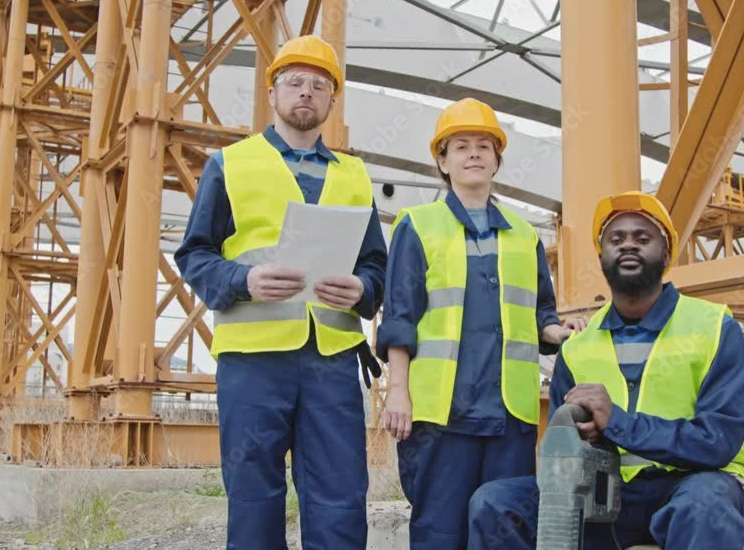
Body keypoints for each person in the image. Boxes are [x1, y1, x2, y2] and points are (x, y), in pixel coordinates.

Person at [174, 35, 386, 550]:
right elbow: (194, 255)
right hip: (253, 360)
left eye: (319, 86)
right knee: (253, 495)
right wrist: (243, 281)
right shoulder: (231, 164)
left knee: (340, 496)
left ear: (332, 101)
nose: (306, 94)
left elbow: (376, 266)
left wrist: (361, 289)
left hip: (331, 362)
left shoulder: (355, 175)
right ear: (273, 93)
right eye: (295, 83)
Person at [467, 191, 744, 550]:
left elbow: (718, 441)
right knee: (496, 504)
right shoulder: (576, 348)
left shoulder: (713, 327)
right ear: (602, 257)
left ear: (666, 254)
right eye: (616, 239)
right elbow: (565, 448)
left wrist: (617, 422)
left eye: (642, 238)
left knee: (703, 507)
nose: (628, 246)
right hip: (605, 494)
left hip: (693, 482)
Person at [376, 98, 584, 550]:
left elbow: (540, 315)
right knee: (439, 531)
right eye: (461, 146)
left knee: (504, 527)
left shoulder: (524, 235)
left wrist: (557, 332)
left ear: (497, 160)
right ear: (443, 160)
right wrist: (398, 390)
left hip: (510, 416)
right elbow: (400, 316)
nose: (474, 154)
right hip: (442, 413)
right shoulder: (418, 225)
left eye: (484, 146)